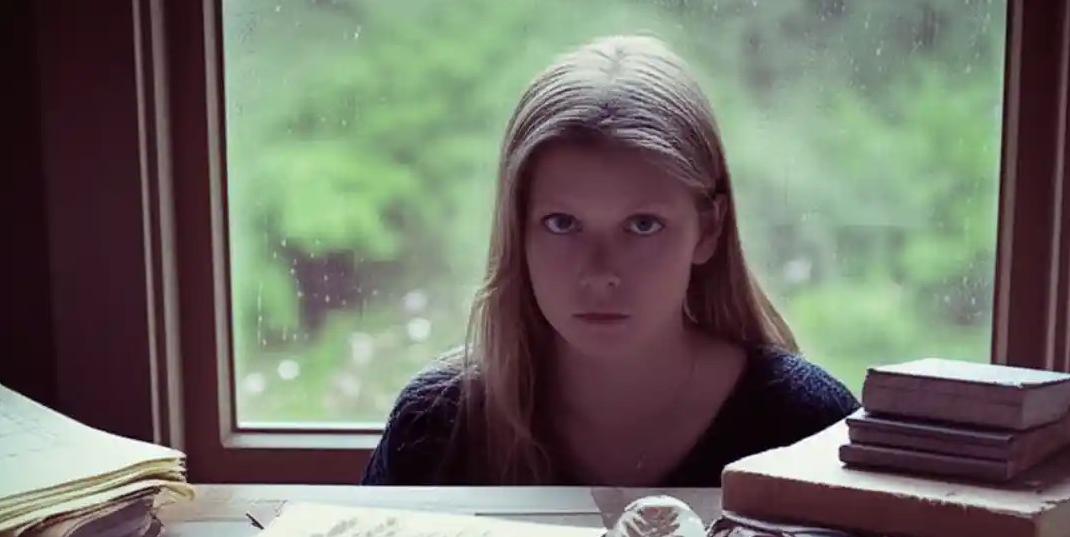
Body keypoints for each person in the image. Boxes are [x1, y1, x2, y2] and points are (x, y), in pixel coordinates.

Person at [362, 34, 857, 487]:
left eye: (642, 225)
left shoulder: (807, 428)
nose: (600, 273)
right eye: (563, 224)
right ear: (518, 232)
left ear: (708, 229)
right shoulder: (438, 427)